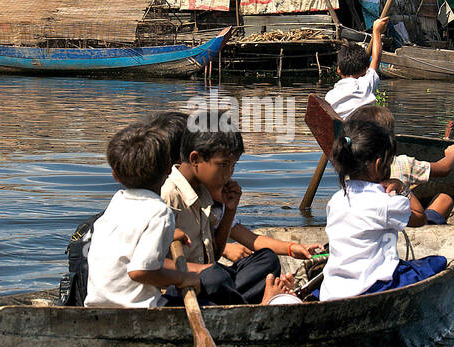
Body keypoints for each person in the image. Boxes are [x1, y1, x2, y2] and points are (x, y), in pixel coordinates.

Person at [163, 120, 320, 304]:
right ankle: (258, 304)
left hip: (210, 277)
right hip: (181, 286)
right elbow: (150, 265)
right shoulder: (169, 195)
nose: (229, 174)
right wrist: (201, 271)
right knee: (215, 276)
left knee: (267, 259)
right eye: (223, 165)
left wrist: (230, 210)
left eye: (233, 166)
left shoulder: (205, 191)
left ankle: (233, 299)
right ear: (195, 159)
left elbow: (215, 251)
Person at [318, 118, 448, 302]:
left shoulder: (336, 199)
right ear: (380, 164)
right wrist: (403, 189)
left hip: (332, 288)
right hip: (373, 287)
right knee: (437, 262)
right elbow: (420, 218)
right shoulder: (385, 202)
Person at [85, 123, 199, 309]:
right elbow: (140, 271)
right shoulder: (160, 212)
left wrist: (169, 234)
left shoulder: (118, 201)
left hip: (97, 304)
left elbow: (129, 239)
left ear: (115, 175)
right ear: (169, 170)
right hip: (138, 308)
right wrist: (183, 278)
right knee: (211, 301)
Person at [346, 105, 454, 226]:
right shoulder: (402, 163)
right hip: (410, 224)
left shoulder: (349, 166)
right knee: (444, 199)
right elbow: (444, 169)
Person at [325, 16, 390, 117]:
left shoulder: (330, 96)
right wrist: (376, 32)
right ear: (365, 70)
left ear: (338, 70)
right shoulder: (366, 84)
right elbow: (376, 59)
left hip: (345, 129)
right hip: (363, 129)